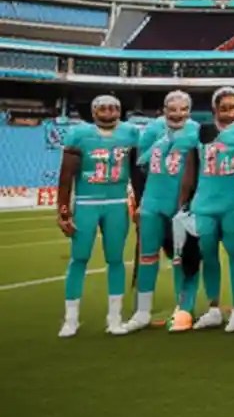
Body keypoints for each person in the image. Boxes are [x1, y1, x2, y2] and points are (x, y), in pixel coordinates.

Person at [177, 87, 234, 333]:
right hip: (204, 203)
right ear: (214, 109)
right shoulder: (201, 132)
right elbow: (191, 169)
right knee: (208, 255)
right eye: (225, 107)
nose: (230, 113)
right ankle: (214, 308)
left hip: (233, 204)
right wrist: (183, 202)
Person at [56, 95, 141, 337]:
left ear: (121, 111)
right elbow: (66, 176)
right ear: (93, 112)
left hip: (117, 203)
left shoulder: (131, 133)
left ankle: (114, 318)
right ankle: (71, 318)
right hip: (86, 203)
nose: (108, 111)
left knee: (115, 259)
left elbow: (137, 171)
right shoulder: (79, 134)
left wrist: (140, 204)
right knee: (79, 258)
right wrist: (63, 211)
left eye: (114, 107)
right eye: (102, 107)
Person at [125, 91, 199, 333]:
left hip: (181, 205)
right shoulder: (155, 131)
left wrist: (191, 202)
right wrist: (139, 203)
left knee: (182, 257)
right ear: (163, 109)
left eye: (183, 109)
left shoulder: (197, 131)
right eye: (172, 108)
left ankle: (183, 310)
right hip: (152, 202)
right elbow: (141, 165)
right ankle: (142, 311)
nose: (177, 113)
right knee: (147, 256)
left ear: (189, 110)